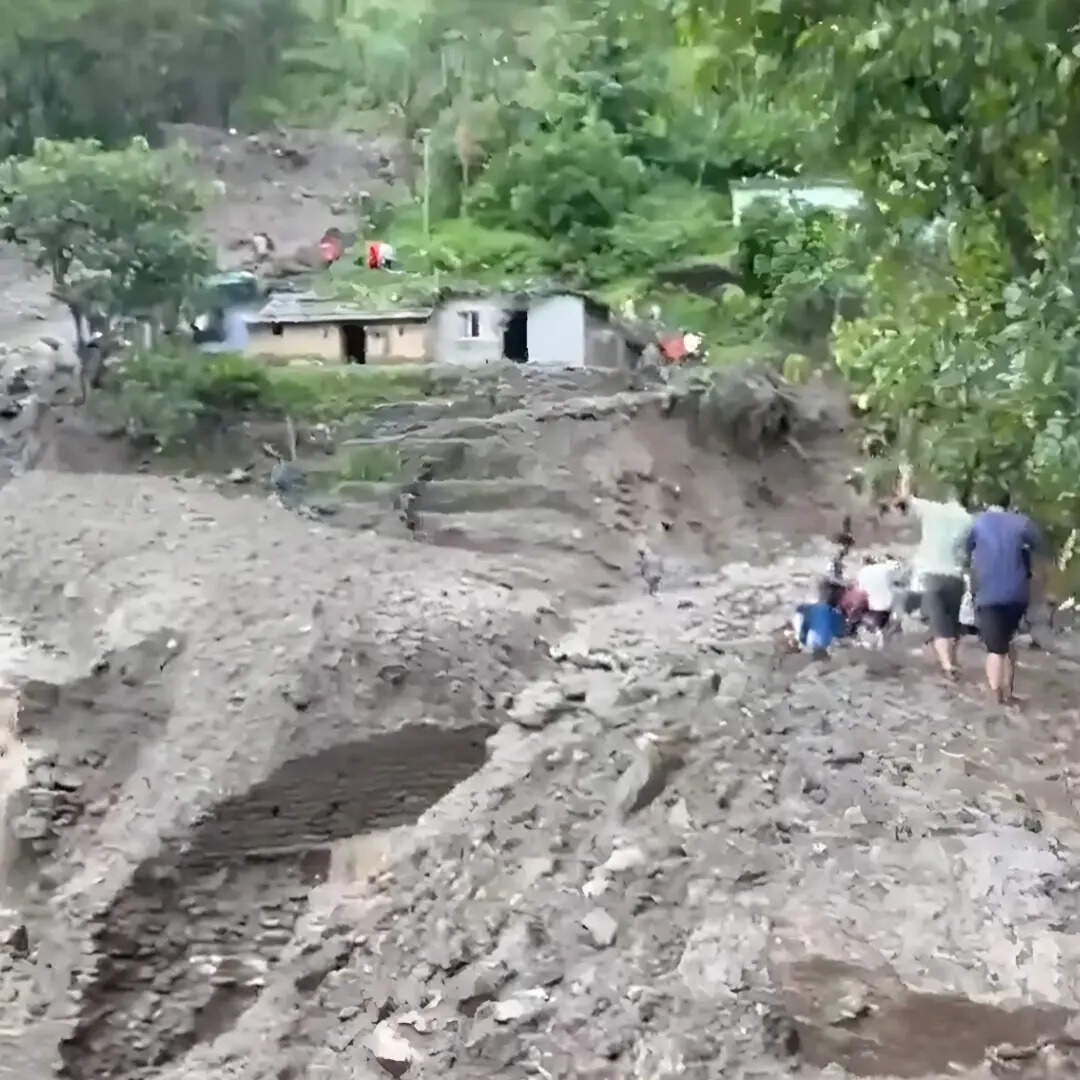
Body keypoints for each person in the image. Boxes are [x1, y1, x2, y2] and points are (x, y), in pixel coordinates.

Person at [966, 490, 1045, 703]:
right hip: (1017, 593)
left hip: (989, 594)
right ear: (1009, 503)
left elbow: (964, 550)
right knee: (1007, 640)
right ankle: (1009, 688)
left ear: (985, 503)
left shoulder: (978, 522)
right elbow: (1041, 545)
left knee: (995, 649)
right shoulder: (1022, 522)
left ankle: (996, 696)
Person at [897, 466, 972, 679]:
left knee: (939, 624)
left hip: (932, 575)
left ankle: (948, 667)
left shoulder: (931, 509)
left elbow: (905, 498)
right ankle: (953, 660)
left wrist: (906, 475)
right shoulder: (968, 519)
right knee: (952, 622)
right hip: (956, 577)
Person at [856, 554, 904, 648]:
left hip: (872, 610)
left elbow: (861, 592)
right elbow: (900, 581)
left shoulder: (862, 572)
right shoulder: (887, 569)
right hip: (888, 608)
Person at [793, 582, 846, 658]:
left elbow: (799, 612)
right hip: (823, 645)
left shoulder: (807, 608)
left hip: (809, 643)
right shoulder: (836, 614)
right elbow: (841, 633)